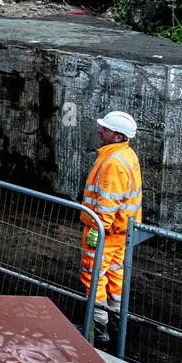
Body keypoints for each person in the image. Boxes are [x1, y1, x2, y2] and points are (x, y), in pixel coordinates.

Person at [79, 110, 143, 347]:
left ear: (117, 136)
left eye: (105, 129)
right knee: (115, 276)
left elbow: (108, 201)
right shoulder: (127, 154)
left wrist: (98, 229)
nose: (100, 130)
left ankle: (97, 326)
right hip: (121, 231)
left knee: (93, 275)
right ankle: (116, 320)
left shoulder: (113, 162)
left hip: (105, 231)